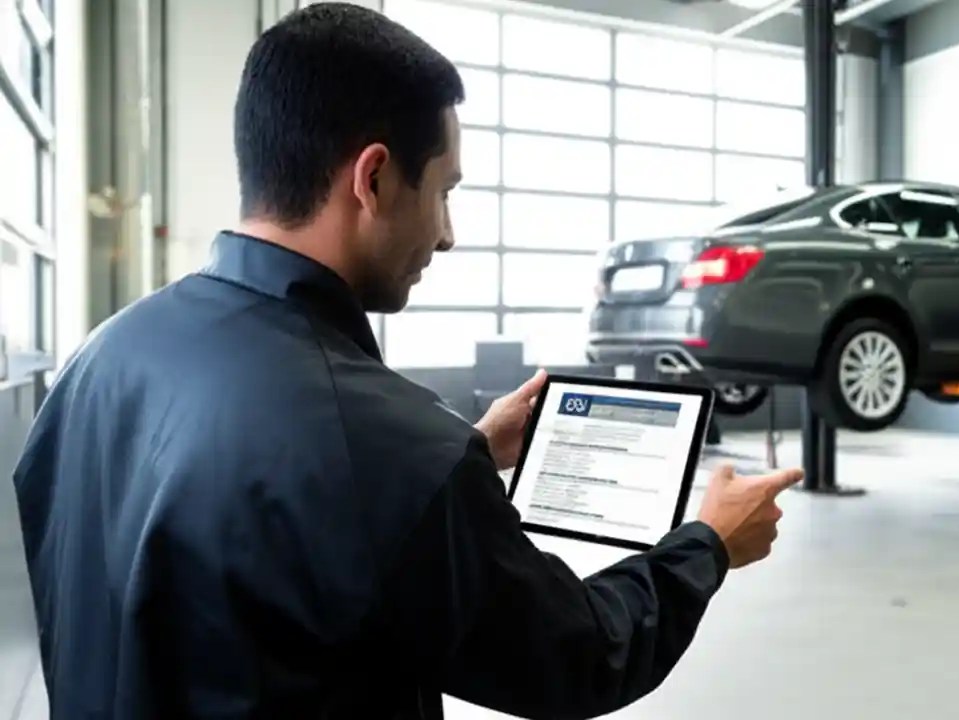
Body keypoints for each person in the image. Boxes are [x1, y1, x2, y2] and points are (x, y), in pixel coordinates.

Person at [12, 4, 803, 718]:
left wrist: (469, 454)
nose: (448, 233)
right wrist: (708, 542)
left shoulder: (100, 360)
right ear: (375, 177)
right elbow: (576, 657)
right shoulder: (385, 446)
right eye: (443, 191)